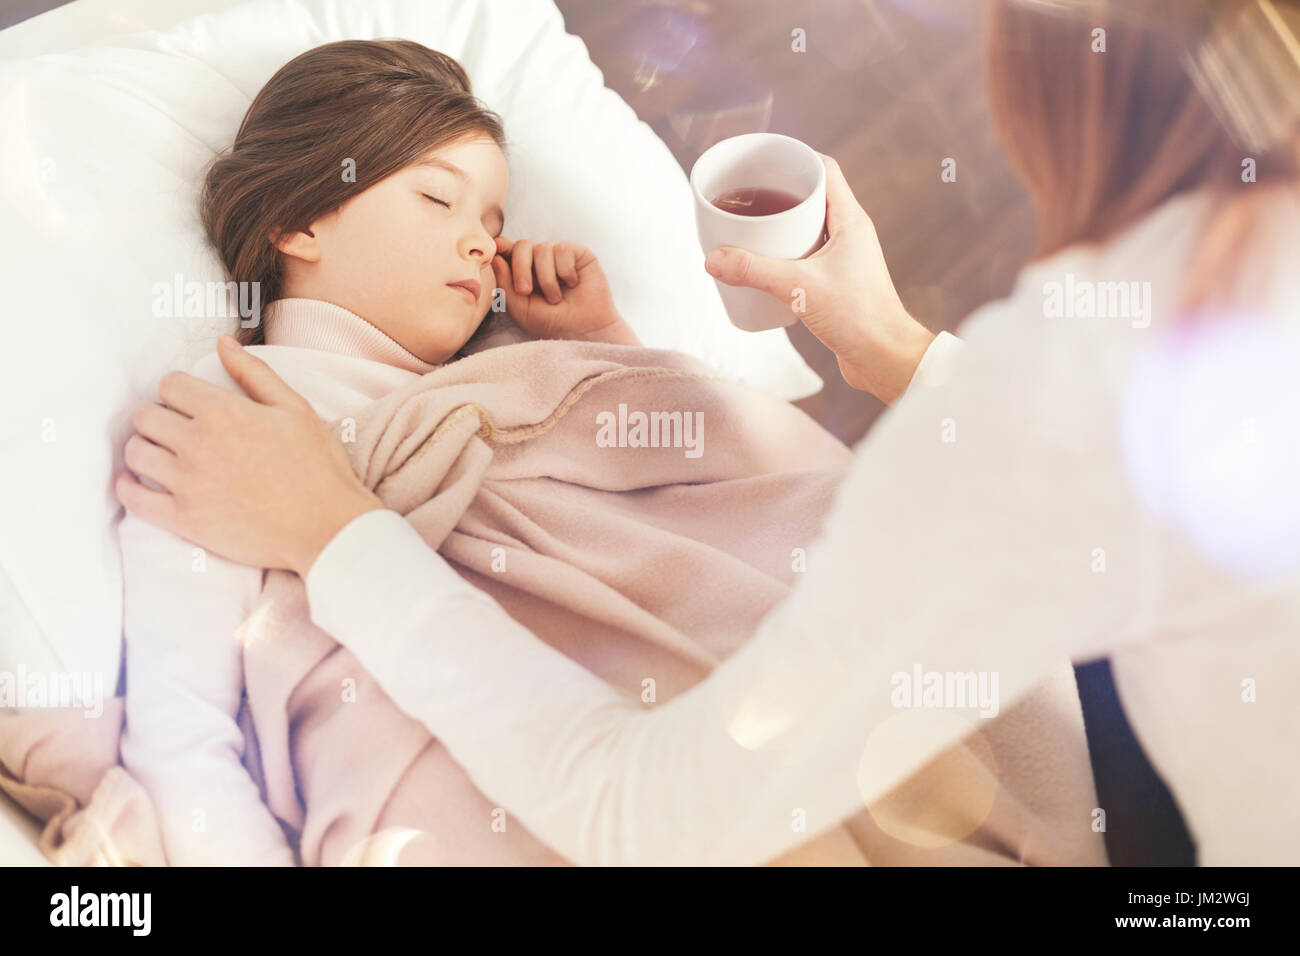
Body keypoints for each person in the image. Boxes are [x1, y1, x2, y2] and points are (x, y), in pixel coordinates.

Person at [116, 0, 1300, 865]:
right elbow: (184, 735)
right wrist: (663, 349)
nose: (484, 243)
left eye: (492, 212)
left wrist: (610, 368)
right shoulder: (231, 425)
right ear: (298, 222)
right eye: (438, 201)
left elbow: (730, 533)